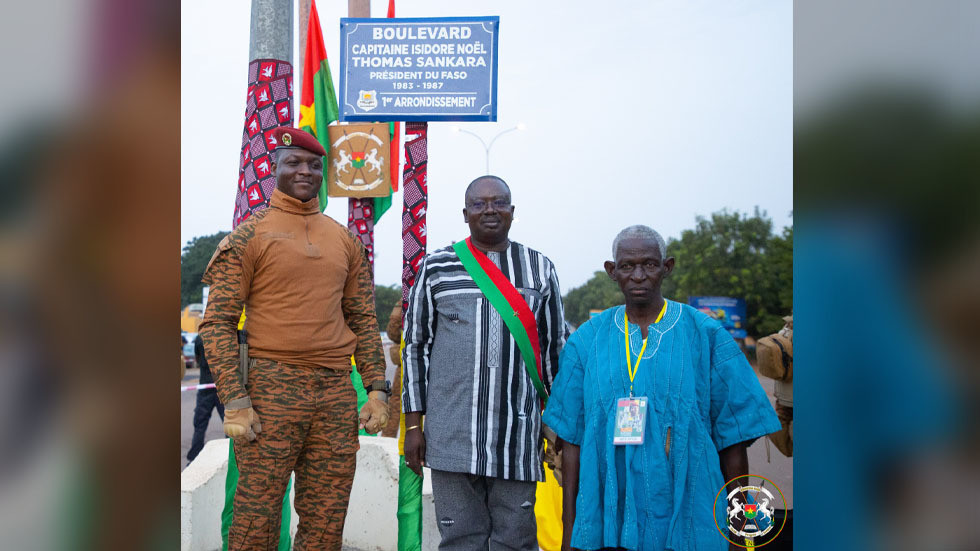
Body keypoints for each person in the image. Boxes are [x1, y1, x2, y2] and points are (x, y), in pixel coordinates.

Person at [198, 126, 390, 550]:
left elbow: (361, 317)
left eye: (314, 165)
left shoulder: (344, 239)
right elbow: (217, 323)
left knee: (327, 515)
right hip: (269, 389)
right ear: (275, 169)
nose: (305, 171)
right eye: (294, 163)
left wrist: (376, 389)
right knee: (257, 517)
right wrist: (235, 398)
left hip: (336, 392)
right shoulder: (250, 235)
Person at [542, 225, 781, 551]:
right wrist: (570, 532)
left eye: (649, 264)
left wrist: (741, 531)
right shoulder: (586, 340)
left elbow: (733, 441)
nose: (638, 275)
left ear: (666, 267)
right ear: (612, 271)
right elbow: (571, 444)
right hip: (611, 514)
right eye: (627, 266)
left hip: (690, 509)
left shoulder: (705, 335)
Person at [402, 175, 567, 550]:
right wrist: (414, 426)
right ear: (465, 213)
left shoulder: (540, 268)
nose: (489, 209)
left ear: (512, 211)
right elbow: (415, 347)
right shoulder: (436, 267)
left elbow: (556, 349)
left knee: (515, 539)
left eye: (498, 202)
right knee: (461, 539)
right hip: (451, 435)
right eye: (479, 203)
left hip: (517, 434)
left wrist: (558, 428)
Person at [186, 333, 225, 464]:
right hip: (222, 387)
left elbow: (197, 358)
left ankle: (194, 458)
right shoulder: (223, 335)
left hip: (205, 387)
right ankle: (231, 456)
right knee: (230, 424)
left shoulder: (200, 337)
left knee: (200, 425)